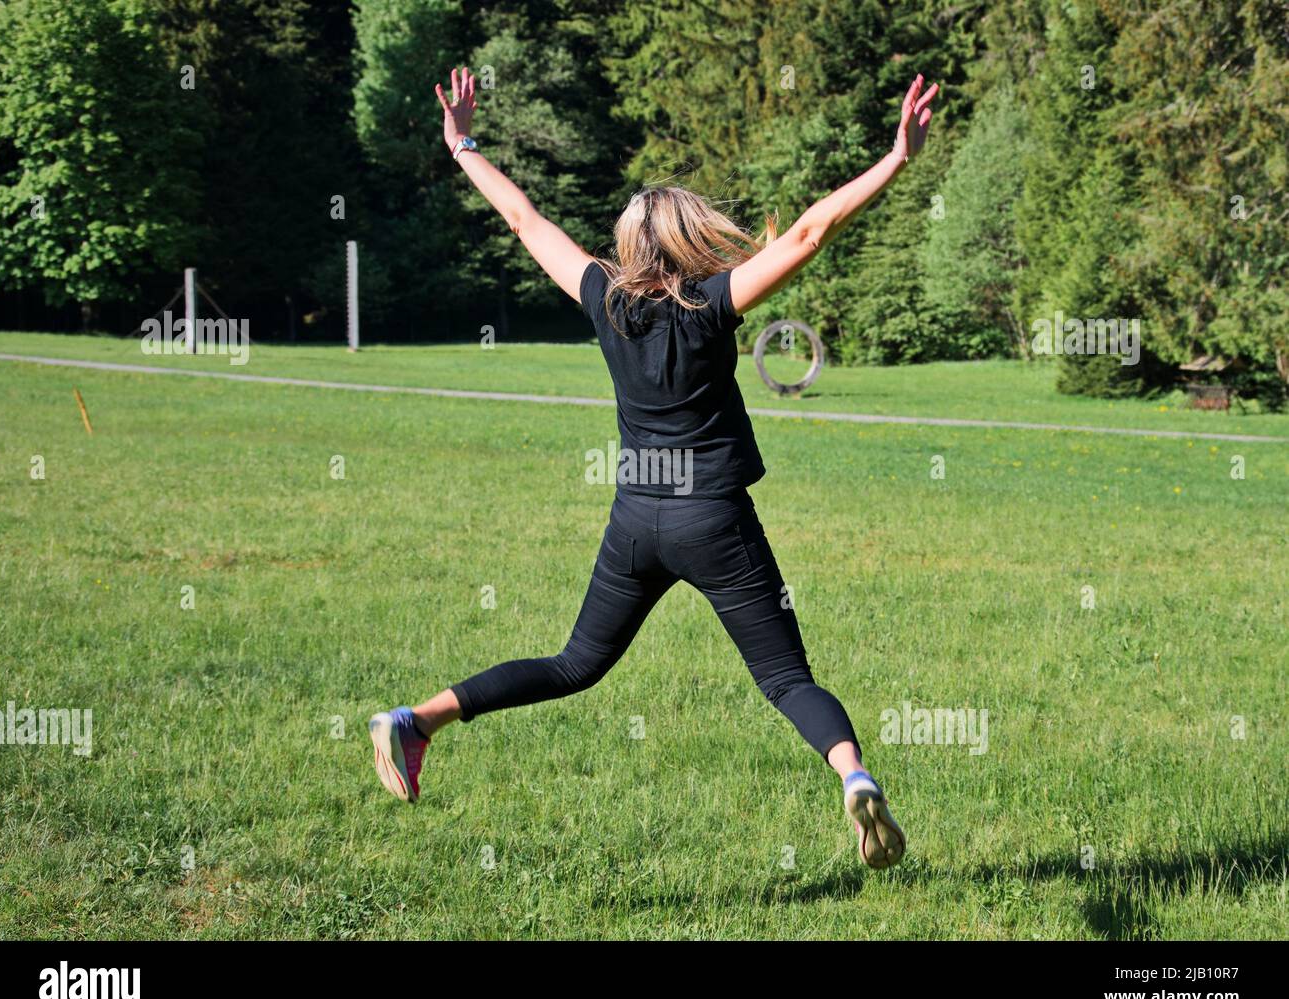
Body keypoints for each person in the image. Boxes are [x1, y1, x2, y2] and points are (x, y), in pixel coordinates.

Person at [371, 66, 938, 869]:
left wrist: (462, 141)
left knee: (574, 663)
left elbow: (521, 215)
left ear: (632, 244)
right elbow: (810, 233)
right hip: (714, 518)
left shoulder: (602, 296)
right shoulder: (713, 301)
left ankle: (416, 720)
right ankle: (852, 775)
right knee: (782, 677)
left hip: (637, 518)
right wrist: (897, 159)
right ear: (688, 239)